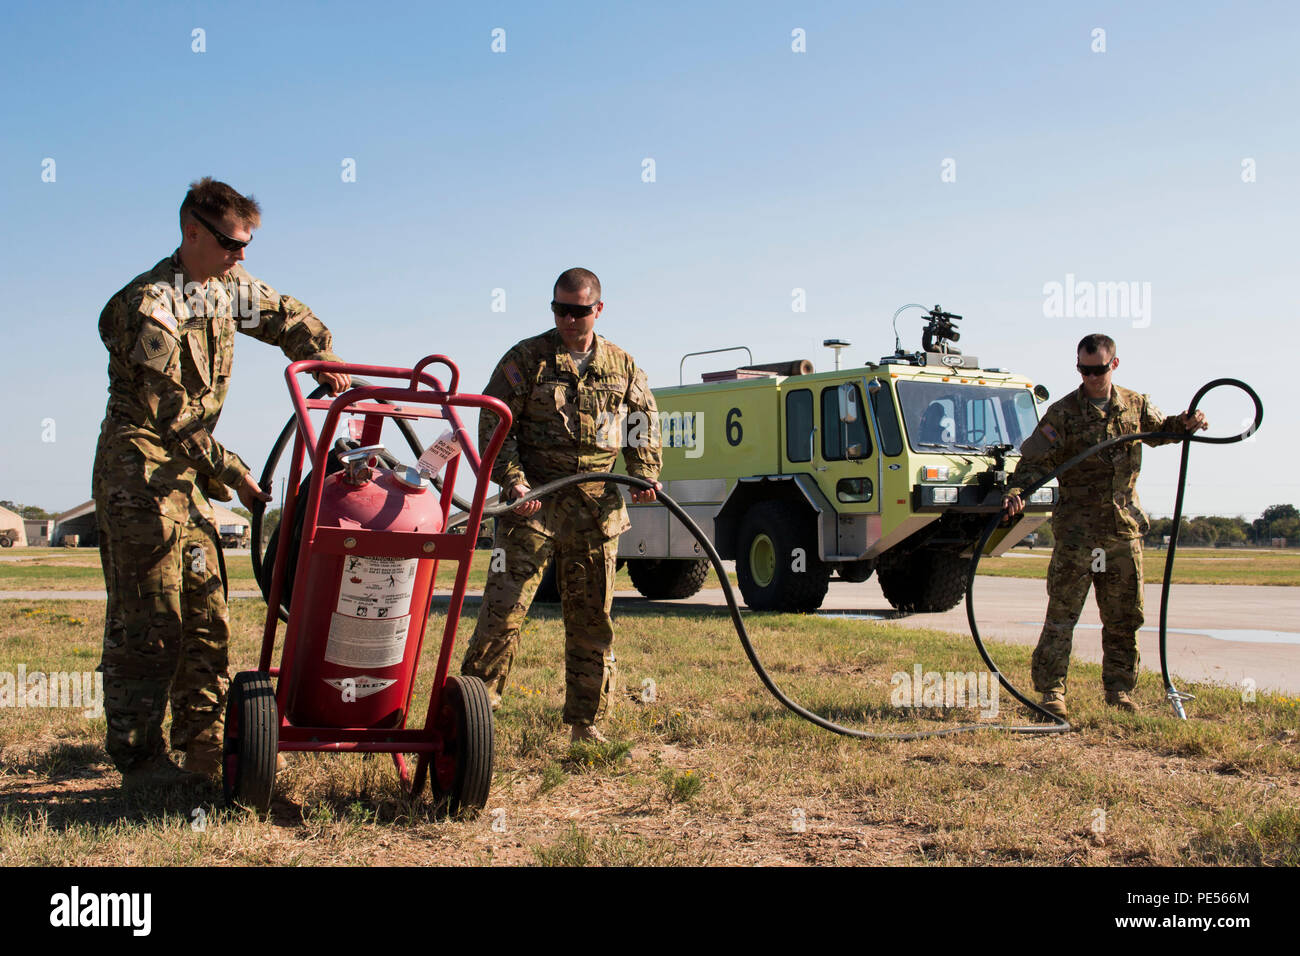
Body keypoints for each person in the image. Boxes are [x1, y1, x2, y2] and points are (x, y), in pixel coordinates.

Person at [94, 177, 350, 788]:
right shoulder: (149, 306)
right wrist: (234, 472)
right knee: (148, 619)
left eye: (247, 245)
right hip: (140, 472)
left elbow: (287, 316)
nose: (242, 256)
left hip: (187, 474)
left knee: (207, 612)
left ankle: (203, 746)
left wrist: (324, 357)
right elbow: (171, 415)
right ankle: (139, 760)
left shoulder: (225, 287)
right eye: (232, 244)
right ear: (192, 233)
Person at [461, 268, 662, 743]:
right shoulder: (526, 358)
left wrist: (644, 471)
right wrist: (512, 483)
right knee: (501, 614)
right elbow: (494, 422)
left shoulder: (623, 364)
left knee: (592, 619)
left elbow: (643, 419)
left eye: (578, 310)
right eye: (560, 309)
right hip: (533, 506)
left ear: (598, 309)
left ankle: (585, 724)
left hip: (596, 509)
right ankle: (475, 720)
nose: (568, 319)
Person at [1003, 334, 1207, 717]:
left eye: (1097, 369)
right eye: (1083, 369)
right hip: (1078, 535)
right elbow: (1032, 462)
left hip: (1122, 532)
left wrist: (1187, 423)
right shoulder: (1063, 414)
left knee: (1123, 619)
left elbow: (1162, 431)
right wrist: (1017, 491)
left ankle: (1119, 691)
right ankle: (1051, 693)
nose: (1091, 377)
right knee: (1062, 616)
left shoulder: (1134, 404)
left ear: (1114, 364)